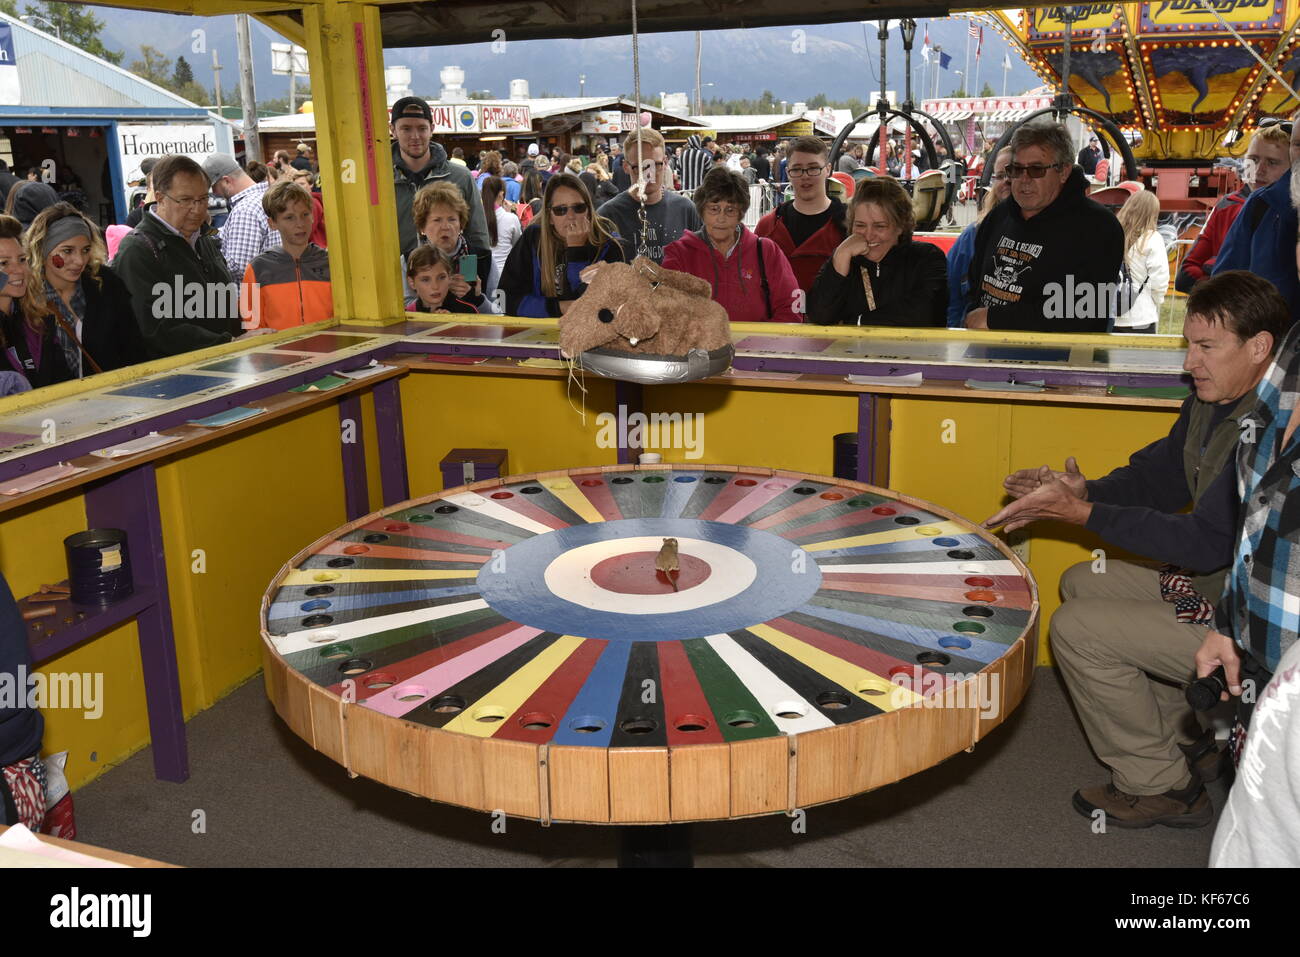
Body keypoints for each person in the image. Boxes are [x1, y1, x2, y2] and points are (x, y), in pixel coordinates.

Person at [985, 271, 1290, 828]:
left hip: (1249, 624)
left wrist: (1083, 514)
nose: (1189, 363)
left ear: (1260, 347)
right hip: (1214, 590)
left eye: (1205, 348)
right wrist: (1089, 491)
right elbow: (1165, 475)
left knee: (1076, 629)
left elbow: (1205, 542)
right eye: (1187, 346)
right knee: (1081, 581)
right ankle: (1188, 740)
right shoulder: (1215, 398)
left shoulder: (1273, 425)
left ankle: (1162, 785)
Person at [964, 120, 1124, 333]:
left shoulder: (1099, 228)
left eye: (1036, 170)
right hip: (985, 353)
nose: (1024, 179)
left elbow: (1086, 313)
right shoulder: (999, 215)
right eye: (1016, 169)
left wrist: (996, 319)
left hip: (1057, 361)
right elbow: (976, 285)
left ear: (1064, 172)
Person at [113, 154, 241, 357]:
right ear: (160, 197)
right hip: (175, 379)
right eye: (186, 200)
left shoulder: (203, 238)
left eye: (203, 199)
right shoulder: (137, 250)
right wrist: (228, 343)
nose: (197, 209)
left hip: (224, 364)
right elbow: (154, 329)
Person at [661, 166, 800, 323]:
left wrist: (762, 344)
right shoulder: (680, 255)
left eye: (730, 209)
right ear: (702, 211)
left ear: (741, 213)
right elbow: (667, 314)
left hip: (759, 346)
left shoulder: (767, 251)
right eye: (714, 209)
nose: (721, 218)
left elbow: (791, 309)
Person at [807, 176, 947, 327]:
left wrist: (856, 322)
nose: (868, 235)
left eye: (880, 226)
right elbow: (818, 315)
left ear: (900, 226)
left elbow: (925, 314)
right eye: (860, 225)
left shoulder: (927, 258)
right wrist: (840, 257)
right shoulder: (845, 260)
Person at [25, 203, 146, 377]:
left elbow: (134, 349)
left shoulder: (106, 284)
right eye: (67, 251)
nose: (79, 260)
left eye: (85, 250)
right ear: (43, 250)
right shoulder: (25, 295)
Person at [1176, 126, 1288, 293]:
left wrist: (1213, 269)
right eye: (1254, 159)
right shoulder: (1226, 206)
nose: (1259, 170)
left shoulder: (1292, 213)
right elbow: (1186, 274)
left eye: (1272, 162)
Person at [498, 172, 626, 317]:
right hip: (537, 335)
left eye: (578, 208)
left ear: (589, 211)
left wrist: (576, 253)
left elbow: (602, 308)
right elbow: (504, 300)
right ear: (550, 216)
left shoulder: (609, 246)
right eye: (560, 210)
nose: (570, 216)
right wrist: (559, 307)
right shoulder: (533, 239)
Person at [1212, 113, 1300, 323]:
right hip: (1273, 340)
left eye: (1272, 162)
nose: (1259, 170)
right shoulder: (1260, 205)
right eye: (1298, 145)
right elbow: (1227, 280)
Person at [390, 96, 490, 258]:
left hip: (450, 278)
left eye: (422, 128)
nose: (415, 136)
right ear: (393, 130)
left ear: (432, 129)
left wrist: (470, 277)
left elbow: (477, 236)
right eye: (406, 129)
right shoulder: (380, 182)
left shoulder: (460, 177)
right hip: (396, 278)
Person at [755, 136, 847, 296]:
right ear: (787, 173)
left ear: (828, 169)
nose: (805, 176)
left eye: (813, 168)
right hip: (778, 320)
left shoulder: (850, 225)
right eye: (797, 169)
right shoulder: (767, 226)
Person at [598, 128, 702, 264]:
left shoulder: (686, 210)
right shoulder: (607, 216)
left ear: (665, 163)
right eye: (640, 167)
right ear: (626, 166)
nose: (648, 174)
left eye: (655, 165)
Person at [239, 181, 332, 331]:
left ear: (313, 216)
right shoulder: (257, 268)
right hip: (279, 352)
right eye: (289, 217)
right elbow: (252, 326)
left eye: (305, 214)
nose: (300, 224)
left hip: (330, 350)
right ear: (272, 223)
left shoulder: (330, 262)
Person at [0, 214, 69, 388]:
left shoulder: (40, 319)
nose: (19, 269)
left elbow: (64, 384)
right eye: (3, 263)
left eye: (22, 260)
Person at [947, 147, 1011, 327]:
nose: (1006, 181)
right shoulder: (973, 236)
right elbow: (950, 297)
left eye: (1013, 172)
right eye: (999, 176)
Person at [409, 181, 492, 312]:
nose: (445, 227)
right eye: (437, 220)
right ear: (422, 227)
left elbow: (500, 311)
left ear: (461, 224)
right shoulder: (409, 261)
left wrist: (477, 297)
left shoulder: (483, 258)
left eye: (452, 219)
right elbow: (402, 309)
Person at [202, 153, 281, 278]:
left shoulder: (245, 210)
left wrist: (203, 260)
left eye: (214, 187)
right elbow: (228, 233)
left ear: (226, 181)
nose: (215, 193)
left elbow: (238, 267)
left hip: (250, 295)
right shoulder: (263, 198)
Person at [1114, 189, 1169, 334]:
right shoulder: (1152, 238)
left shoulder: (1111, 233)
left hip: (1109, 312)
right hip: (1140, 315)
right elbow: (1159, 281)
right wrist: (1157, 300)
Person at [405, 245, 479, 313]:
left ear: (449, 277)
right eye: (425, 280)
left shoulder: (468, 311)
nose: (435, 286)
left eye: (441, 278)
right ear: (412, 282)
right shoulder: (407, 314)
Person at [481, 175, 521, 298]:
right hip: (505, 275)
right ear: (501, 194)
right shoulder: (511, 218)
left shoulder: (476, 218)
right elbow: (518, 245)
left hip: (482, 274)